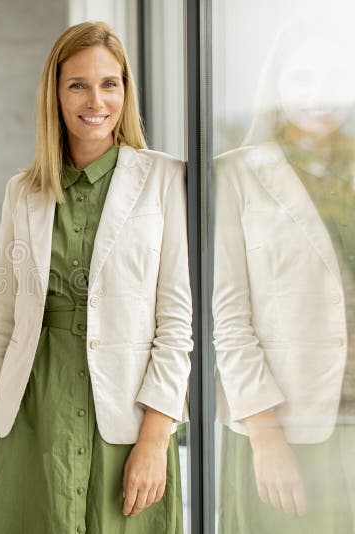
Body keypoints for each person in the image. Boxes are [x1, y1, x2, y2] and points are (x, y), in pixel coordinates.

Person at [0, 22, 192, 533]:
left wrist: (156, 440)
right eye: (78, 85)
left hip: (125, 414)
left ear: (126, 91)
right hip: (31, 410)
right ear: (56, 93)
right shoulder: (23, 191)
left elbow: (176, 323)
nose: (96, 100)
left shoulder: (163, 180)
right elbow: (0, 322)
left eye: (110, 83)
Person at [213, 21, 355, 533]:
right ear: (276, 87)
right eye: (301, 79)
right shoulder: (237, 174)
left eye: (333, 76)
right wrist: (267, 436)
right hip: (286, 424)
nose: (319, 94)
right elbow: (229, 318)